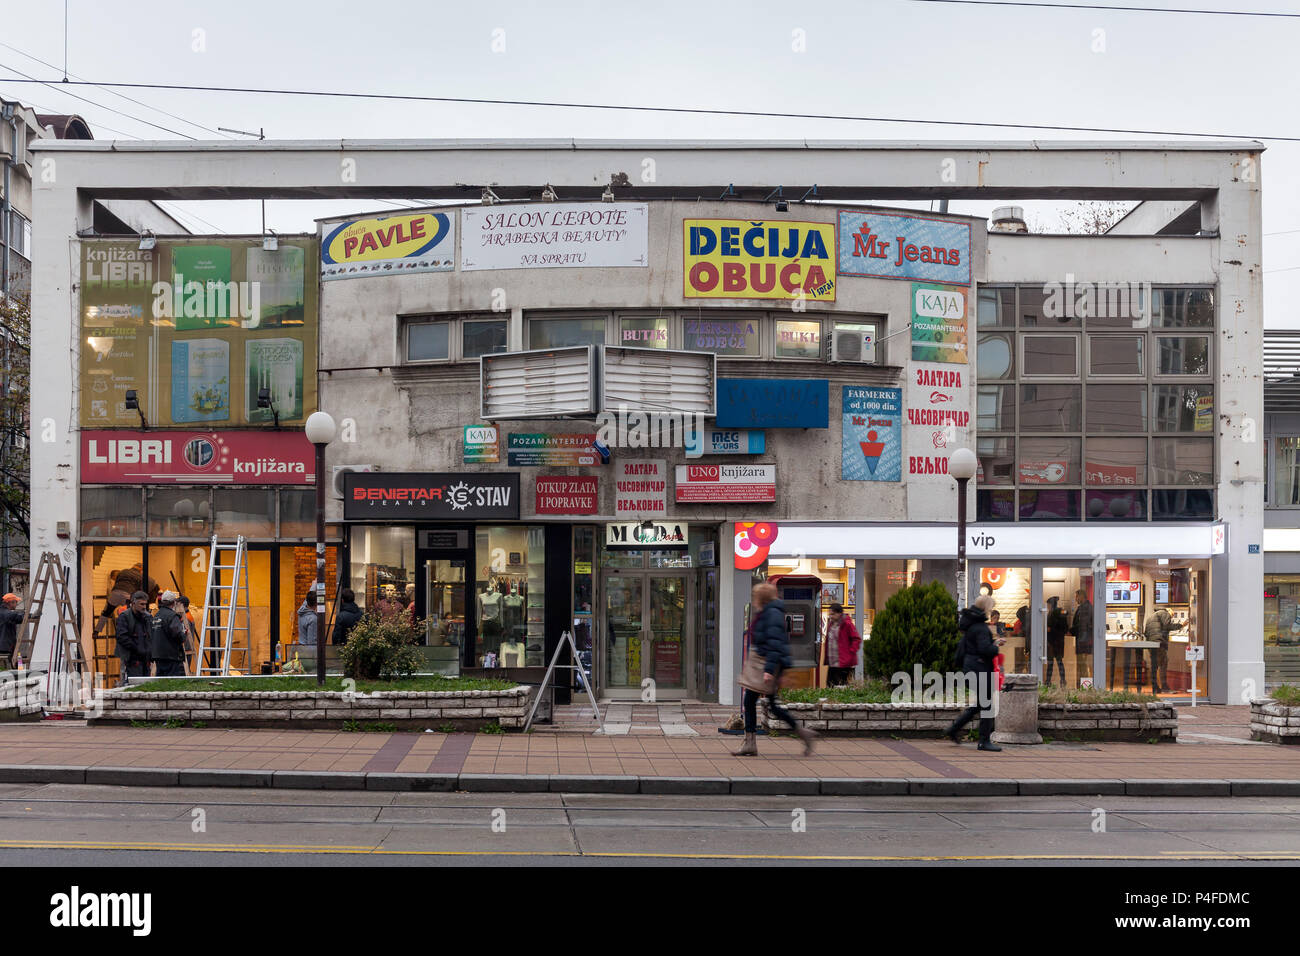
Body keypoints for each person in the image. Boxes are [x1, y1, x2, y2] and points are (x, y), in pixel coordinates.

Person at [734, 582, 817, 757]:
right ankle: (802, 733)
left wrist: (769, 671)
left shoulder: (771, 613)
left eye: (756, 596)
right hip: (766, 664)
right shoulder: (769, 612)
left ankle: (750, 743)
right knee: (771, 705)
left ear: (761, 597)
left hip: (766, 665)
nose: (754, 599)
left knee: (751, 702)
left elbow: (774, 643)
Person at [945, 594, 1004, 752]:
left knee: (980, 704)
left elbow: (975, 646)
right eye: (990, 607)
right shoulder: (981, 628)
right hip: (979, 669)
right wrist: (996, 647)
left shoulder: (972, 625)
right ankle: (984, 741)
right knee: (987, 706)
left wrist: (992, 643)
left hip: (971, 668)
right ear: (986, 608)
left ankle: (953, 729)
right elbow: (984, 649)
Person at [94, 563, 158, 636]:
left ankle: (96, 631)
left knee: (106, 613)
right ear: (140, 569)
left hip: (114, 594)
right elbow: (151, 583)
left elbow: (117, 582)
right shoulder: (140, 575)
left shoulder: (123, 571)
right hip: (127, 595)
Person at [114, 590, 152, 683]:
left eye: (145, 604)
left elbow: (151, 635)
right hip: (132, 658)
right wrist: (136, 648)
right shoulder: (124, 616)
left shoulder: (147, 617)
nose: (144, 607)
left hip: (145, 659)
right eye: (141, 604)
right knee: (134, 684)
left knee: (146, 685)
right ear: (133, 603)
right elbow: (122, 637)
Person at [1143, 605, 1182, 694]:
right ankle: (1164, 687)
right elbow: (1167, 626)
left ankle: (1155, 686)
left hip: (1151, 642)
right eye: (1172, 615)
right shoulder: (1165, 613)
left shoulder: (1151, 616)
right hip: (1159, 642)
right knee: (1163, 663)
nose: (1172, 616)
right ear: (1170, 610)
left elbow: (1145, 632)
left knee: (1154, 665)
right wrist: (1181, 625)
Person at [150, 591, 188, 677]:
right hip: (171, 655)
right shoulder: (172, 616)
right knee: (173, 682)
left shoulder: (156, 616)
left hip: (158, 655)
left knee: (161, 683)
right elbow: (177, 633)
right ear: (174, 602)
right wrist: (183, 635)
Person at [823, 603, 860, 687]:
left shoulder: (847, 624)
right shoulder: (830, 624)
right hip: (832, 662)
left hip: (843, 662)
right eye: (830, 614)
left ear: (839, 613)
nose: (831, 616)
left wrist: (850, 653)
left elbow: (856, 639)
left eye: (832, 614)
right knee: (830, 685)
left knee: (841, 685)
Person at [1069, 588, 1094, 681]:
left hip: (1083, 640)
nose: (1075, 599)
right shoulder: (1084, 607)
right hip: (1084, 639)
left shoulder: (1085, 608)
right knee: (1082, 664)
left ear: (1081, 596)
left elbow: (1082, 626)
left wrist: (1070, 631)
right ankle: (1084, 685)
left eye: (1076, 597)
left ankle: (1086, 686)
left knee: (1083, 664)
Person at [1045, 596, 1069, 687]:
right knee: (1058, 661)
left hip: (1054, 641)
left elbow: (1060, 628)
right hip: (1058, 641)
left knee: (1051, 662)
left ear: (1051, 604)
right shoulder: (1059, 612)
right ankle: (1062, 680)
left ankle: (1048, 681)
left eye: (1048, 605)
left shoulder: (1054, 613)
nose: (1047, 606)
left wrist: (1050, 630)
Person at [0, 593, 23, 666]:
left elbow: (16, 618)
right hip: (4, 648)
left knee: (17, 661)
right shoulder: (5, 613)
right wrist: (28, 615)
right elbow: (14, 616)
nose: (17, 604)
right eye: (16, 602)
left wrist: (29, 616)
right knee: (5, 669)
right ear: (10, 602)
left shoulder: (5, 613)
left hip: (8, 646)